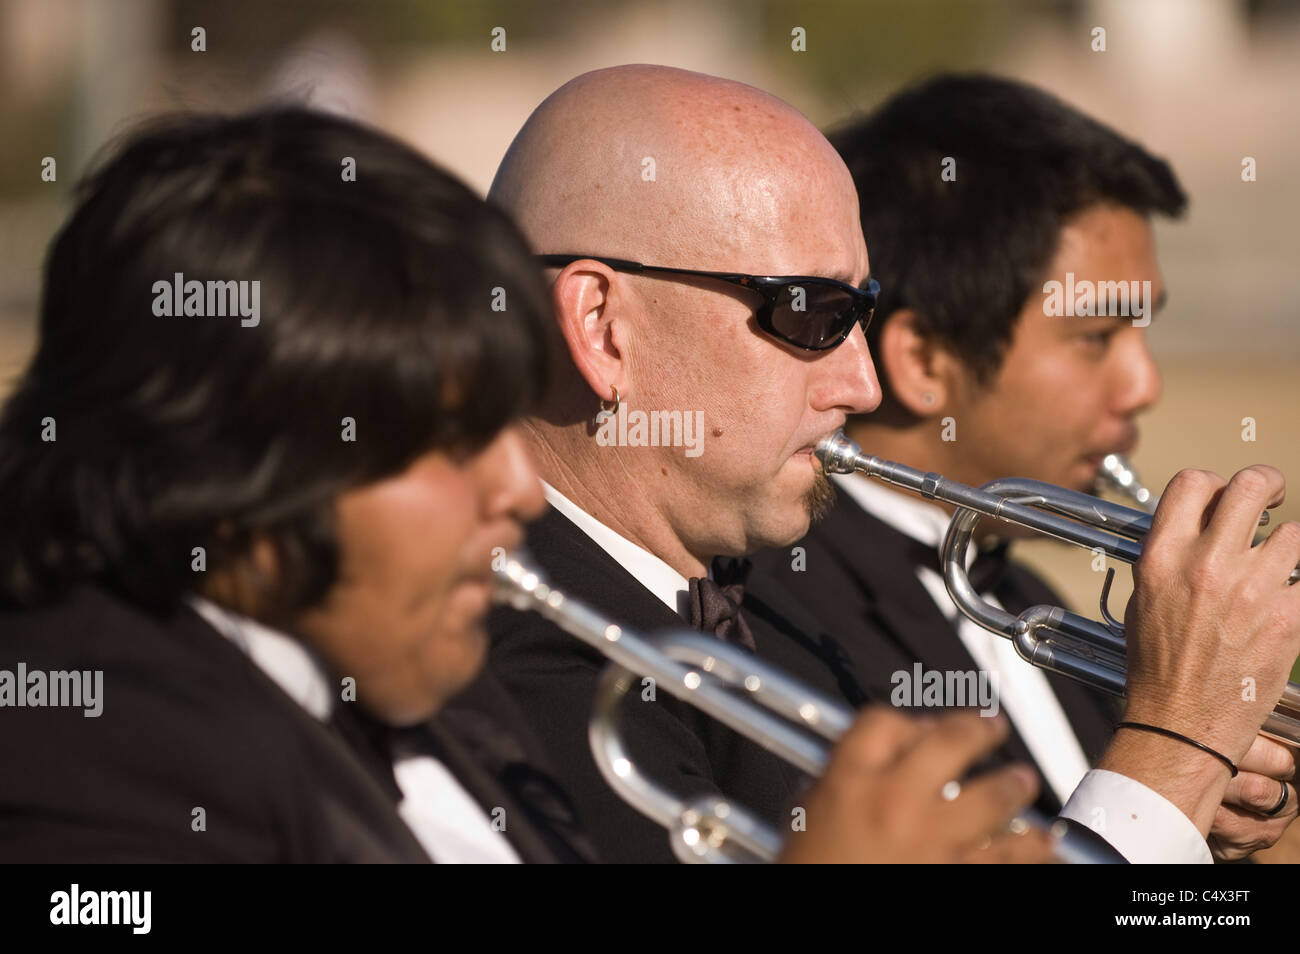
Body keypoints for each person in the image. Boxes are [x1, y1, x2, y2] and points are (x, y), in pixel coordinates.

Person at [0, 106, 1056, 864]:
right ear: (241, 459)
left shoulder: (421, 695)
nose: (517, 487)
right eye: (454, 440)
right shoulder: (83, 757)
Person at [477, 63, 1300, 864]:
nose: (862, 384)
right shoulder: (499, 650)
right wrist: (1175, 746)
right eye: (812, 314)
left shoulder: (742, 604)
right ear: (602, 325)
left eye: (862, 314)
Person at [747, 73, 1299, 862]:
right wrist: (1176, 748)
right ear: (924, 360)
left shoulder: (1026, 599)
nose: (1146, 385)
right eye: (1095, 338)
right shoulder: (781, 617)